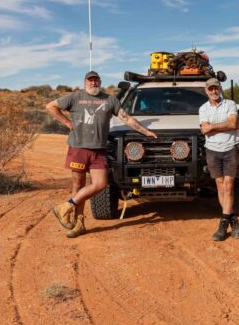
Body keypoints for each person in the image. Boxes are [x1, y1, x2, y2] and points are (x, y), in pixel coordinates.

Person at [47, 71, 157, 238]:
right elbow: (51, 106)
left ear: (100, 82)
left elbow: (126, 118)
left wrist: (145, 131)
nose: (93, 83)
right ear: (85, 82)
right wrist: (68, 122)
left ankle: (64, 207)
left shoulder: (110, 99)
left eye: (96, 80)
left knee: (101, 183)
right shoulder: (75, 97)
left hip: (99, 149)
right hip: (79, 147)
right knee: (78, 186)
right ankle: (79, 224)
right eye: (90, 81)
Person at [199, 77, 239, 241]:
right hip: (212, 150)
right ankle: (233, 220)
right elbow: (204, 130)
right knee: (220, 185)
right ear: (206, 91)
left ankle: (223, 222)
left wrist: (213, 127)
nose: (213, 91)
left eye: (216, 88)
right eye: (210, 89)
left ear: (220, 88)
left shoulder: (230, 104)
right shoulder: (203, 109)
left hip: (230, 148)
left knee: (229, 186)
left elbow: (234, 125)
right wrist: (221, 125)